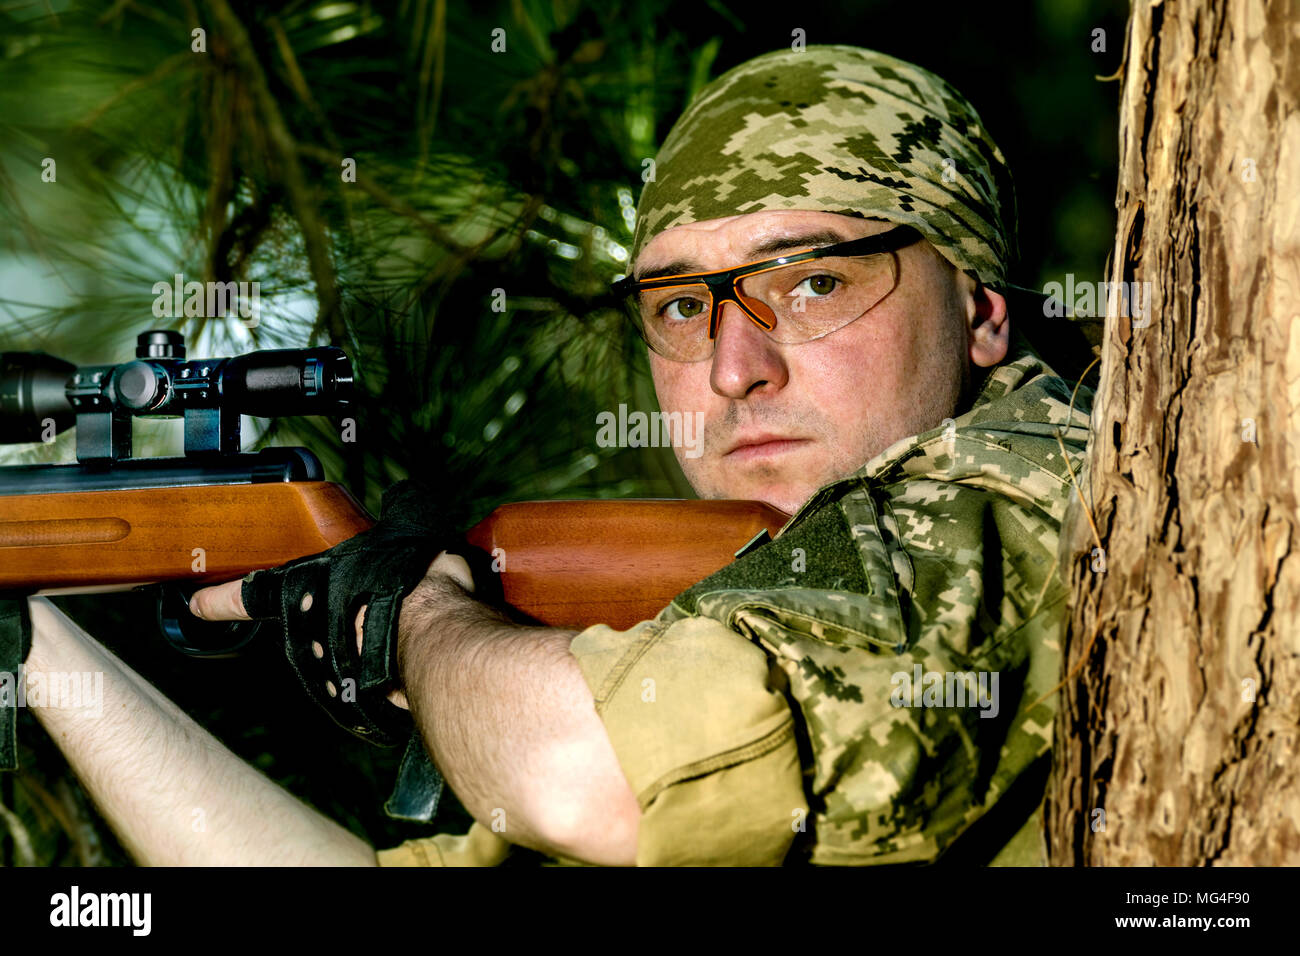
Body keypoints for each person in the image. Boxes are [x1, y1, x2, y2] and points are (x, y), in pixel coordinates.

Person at [10, 44, 1093, 866]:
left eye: (811, 280)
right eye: (679, 306)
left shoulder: (1016, 485)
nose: (733, 367)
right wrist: (38, 645)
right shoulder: (752, 609)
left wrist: (419, 621)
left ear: (981, 312)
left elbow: (590, 779)